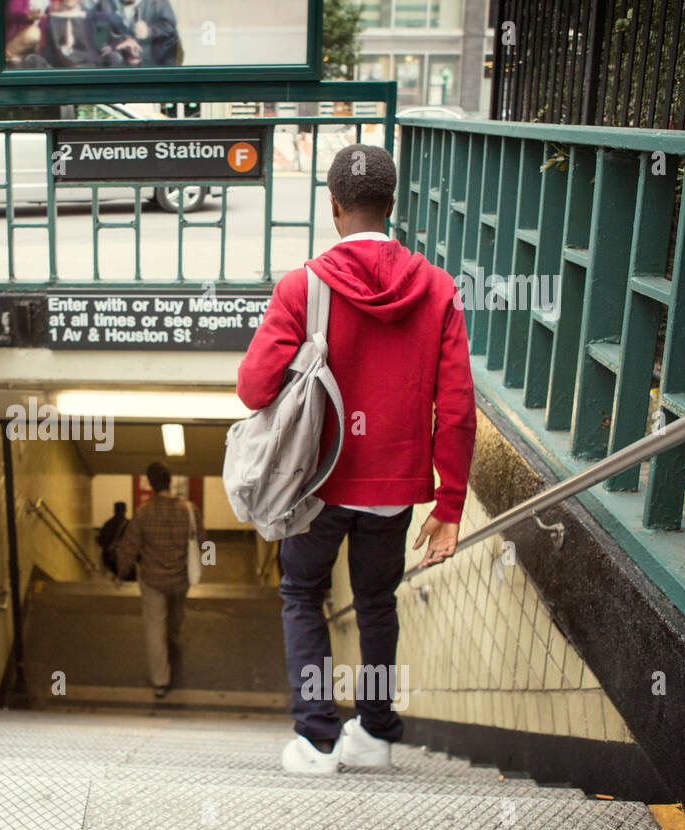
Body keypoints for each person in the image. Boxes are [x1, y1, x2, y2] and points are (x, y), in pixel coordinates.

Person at [236, 144, 476, 774]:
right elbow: (456, 409)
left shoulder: (302, 286)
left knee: (302, 594)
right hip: (394, 490)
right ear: (391, 206)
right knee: (375, 603)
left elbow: (254, 389)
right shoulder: (439, 289)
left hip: (316, 485)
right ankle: (374, 735)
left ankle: (317, 741)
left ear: (335, 207)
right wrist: (448, 505)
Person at [116, 463, 207, 698]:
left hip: (152, 580)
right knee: (176, 614)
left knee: (154, 629)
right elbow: (203, 542)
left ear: (150, 483)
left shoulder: (143, 512)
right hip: (180, 578)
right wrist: (202, 565)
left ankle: (160, 682)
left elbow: (129, 546)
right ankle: (174, 637)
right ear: (169, 481)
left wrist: (120, 572)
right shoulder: (190, 510)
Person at [92, 0, 180, 66]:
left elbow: (170, 27)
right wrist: (122, 41)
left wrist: (150, 31)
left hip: (154, 63)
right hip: (120, 66)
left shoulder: (158, 3)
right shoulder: (106, 3)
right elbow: (98, 32)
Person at [96, 501, 132, 579]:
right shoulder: (129, 525)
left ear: (114, 510)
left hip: (110, 558)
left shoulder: (108, 524)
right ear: (125, 510)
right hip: (125, 558)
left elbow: (101, 541)